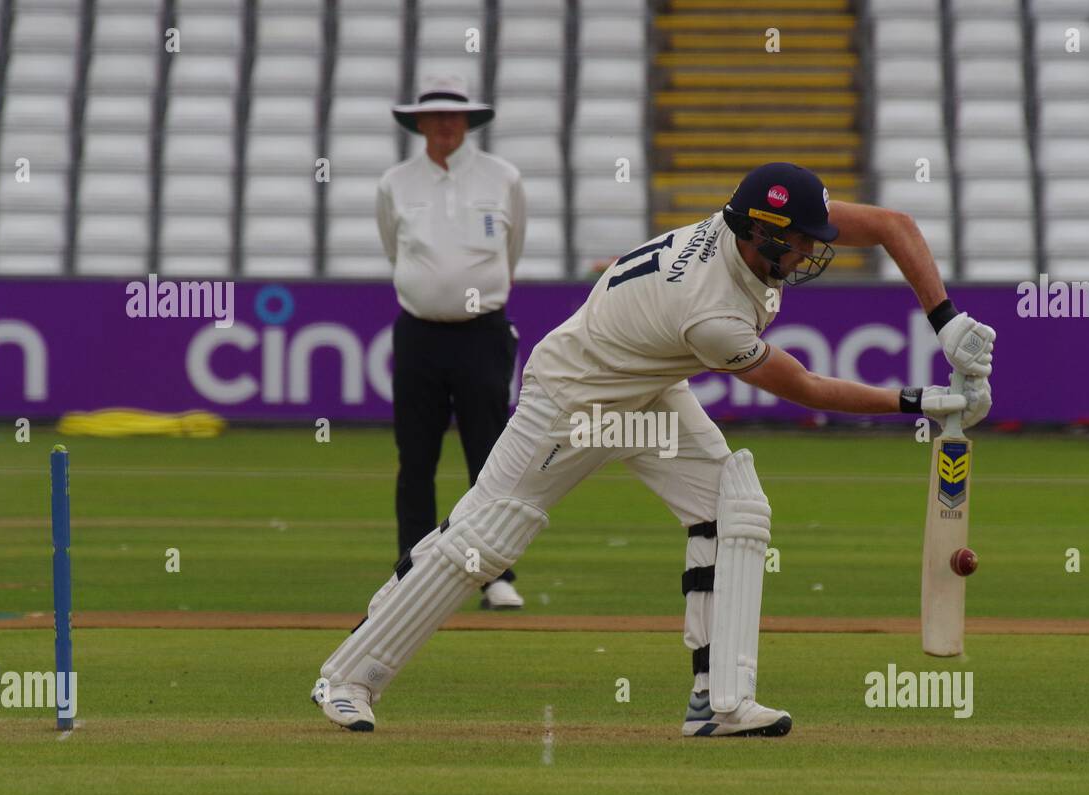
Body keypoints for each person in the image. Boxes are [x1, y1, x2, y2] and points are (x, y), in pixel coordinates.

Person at [313, 162, 995, 737]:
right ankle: (347, 676)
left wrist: (948, 321)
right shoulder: (711, 313)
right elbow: (808, 387)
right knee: (486, 538)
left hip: (648, 388)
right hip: (574, 403)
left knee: (733, 508)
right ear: (761, 237)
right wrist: (923, 402)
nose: (814, 255)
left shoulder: (757, 225)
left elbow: (894, 226)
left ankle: (718, 703)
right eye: (803, 246)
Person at [377, 73, 527, 610]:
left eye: (453, 114)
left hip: (481, 334)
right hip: (419, 333)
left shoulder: (502, 177)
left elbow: (512, 251)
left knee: (491, 460)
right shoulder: (396, 182)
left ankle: (495, 575)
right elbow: (396, 252)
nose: (444, 124)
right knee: (415, 457)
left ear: (467, 120)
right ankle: (409, 575)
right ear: (419, 122)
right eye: (434, 115)